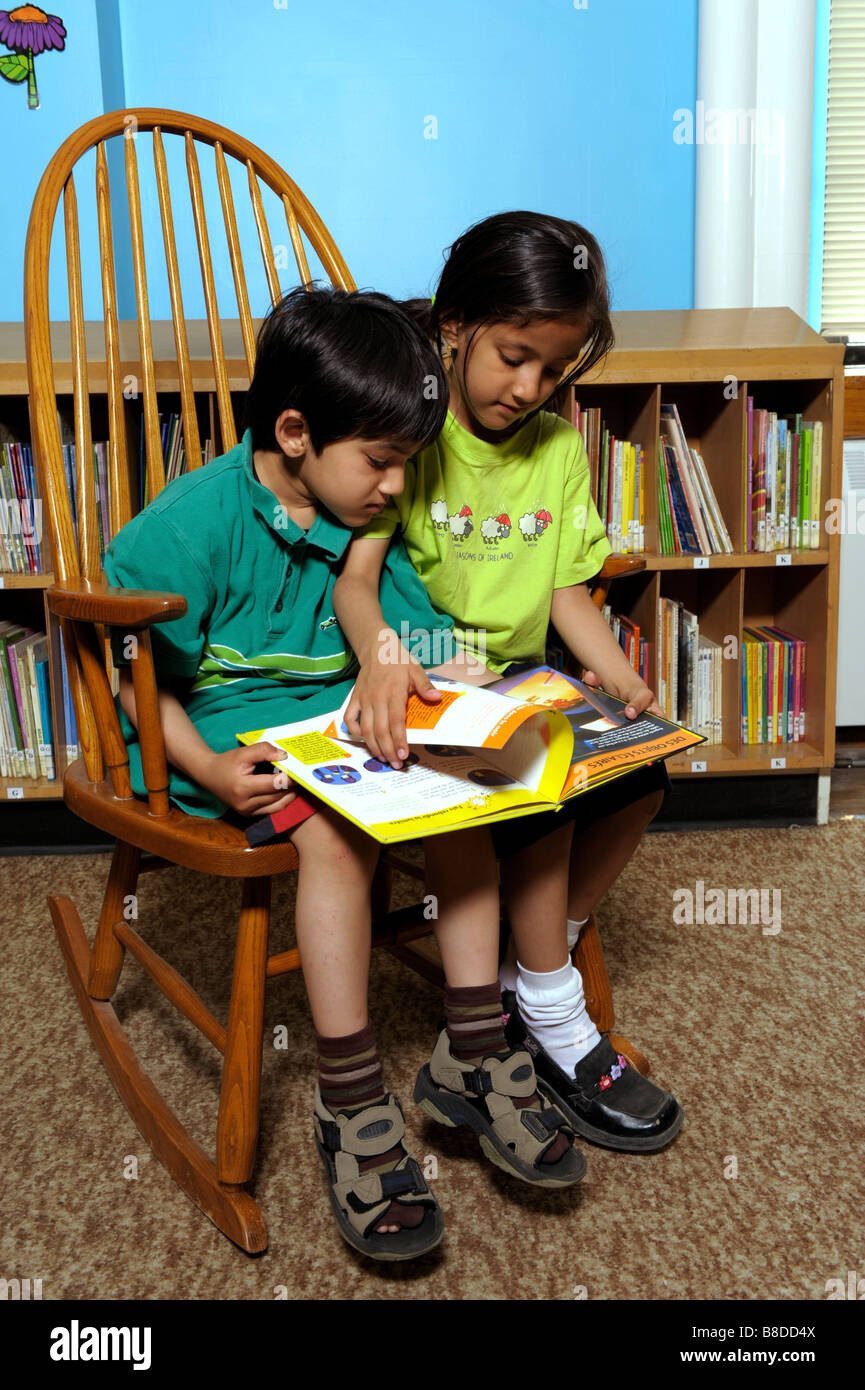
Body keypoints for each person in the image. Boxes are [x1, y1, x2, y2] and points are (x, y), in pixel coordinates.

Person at [103, 285, 582, 1264]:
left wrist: (435, 669)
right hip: (225, 735)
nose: (395, 489)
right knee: (332, 835)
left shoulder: (354, 514)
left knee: (466, 805)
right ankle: (351, 1096)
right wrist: (201, 762)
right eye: (381, 461)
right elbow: (129, 668)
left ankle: (476, 1048)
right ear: (292, 432)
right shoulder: (194, 522)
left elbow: (395, 633)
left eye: (406, 464)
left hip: (335, 720)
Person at [333, 212, 683, 1155]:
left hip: (526, 682)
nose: (528, 388)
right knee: (537, 796)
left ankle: (541, 966)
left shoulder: (558, 448)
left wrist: (616, 675)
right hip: (432, 690)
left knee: (640, 779)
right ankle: (555, 1015)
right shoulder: (407, 431)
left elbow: (567, 591)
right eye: (513, 356)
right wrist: (383, 655)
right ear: (455, 326)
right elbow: (354, 580)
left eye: (552, 370)